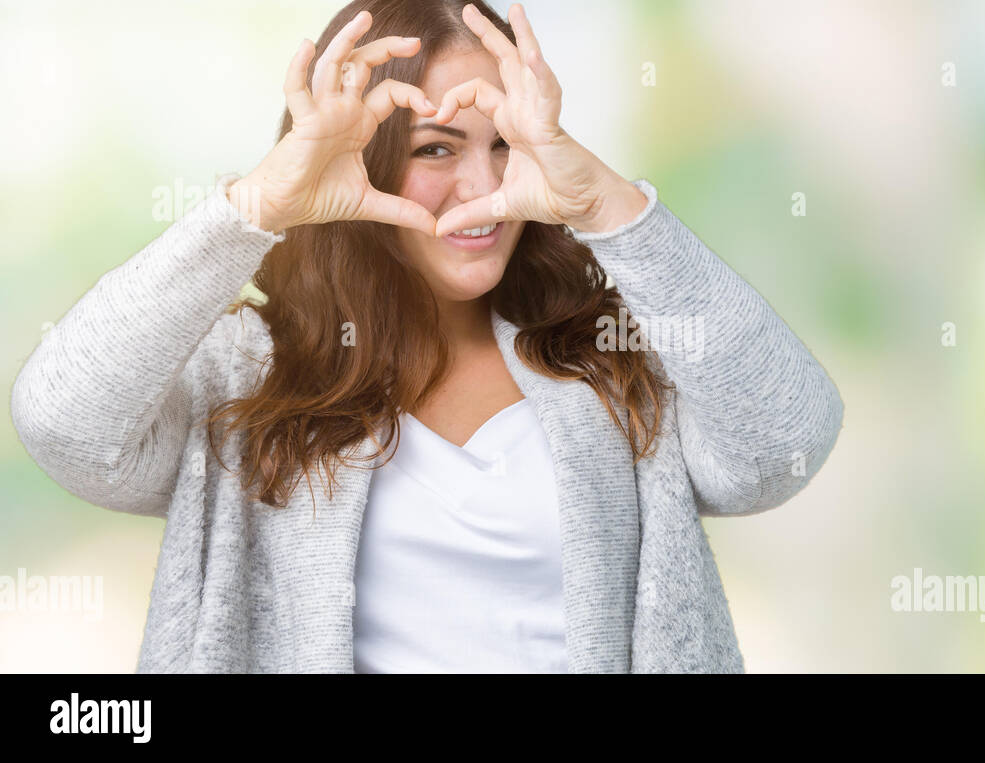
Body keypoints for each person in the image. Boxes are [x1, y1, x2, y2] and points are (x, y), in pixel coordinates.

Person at [10, 0, 844, 673]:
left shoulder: (608, 356)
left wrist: (609, 207)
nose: (484, 189)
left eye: (506, 146)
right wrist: (260, 205)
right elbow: (65, 424)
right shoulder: (247, 376)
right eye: (437, 148)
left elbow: (788, 442)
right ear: (356, 162)